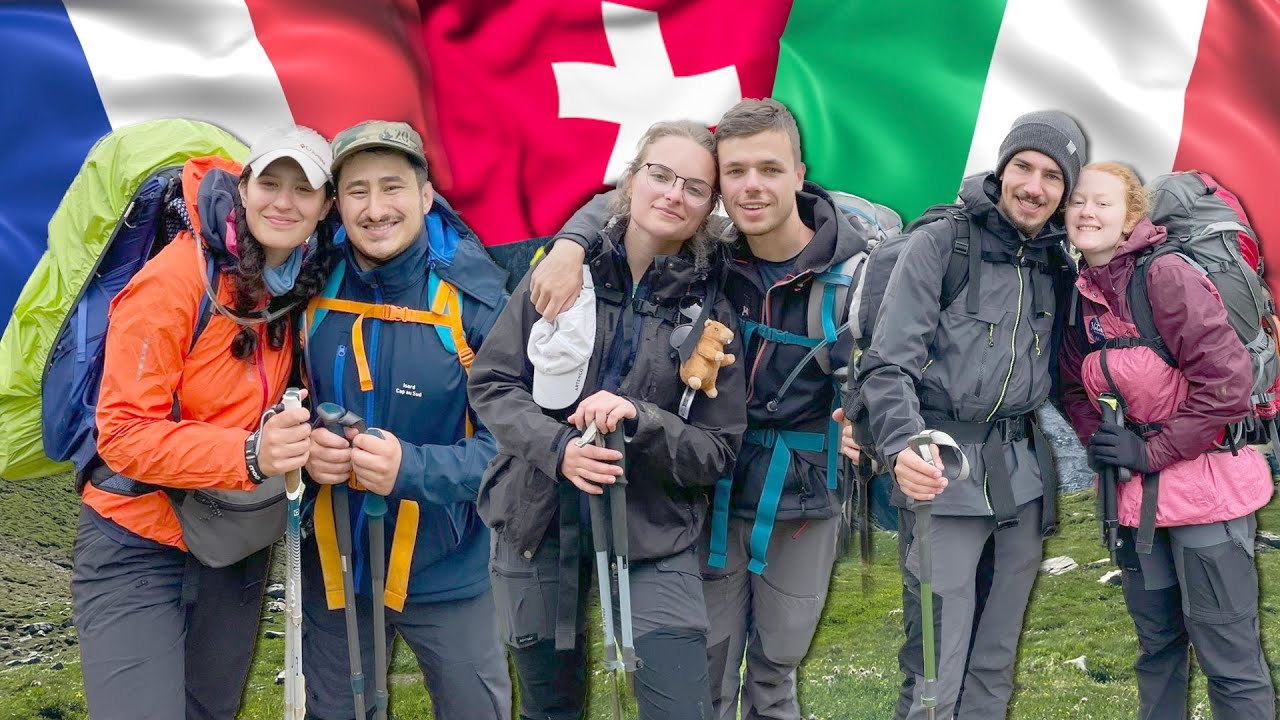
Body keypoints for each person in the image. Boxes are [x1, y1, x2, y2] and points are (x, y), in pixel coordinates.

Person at [532, 99, 867, 720]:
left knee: (776, 670)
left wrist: (867, 427)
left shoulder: (852, 270)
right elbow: (619, 203)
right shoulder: (706, 254)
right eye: (735, 172)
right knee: (705, 672)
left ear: (800, 173)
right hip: (702, 492)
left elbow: (884, 368)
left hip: (800, 495)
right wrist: (570, 243)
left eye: (770, 168)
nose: (752, 186)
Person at [468, 119, 747, 720]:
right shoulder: (560, 272)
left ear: (709, 207)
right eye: (661, 175)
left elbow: (716, 450)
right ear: (631, 178)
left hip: (654, 525)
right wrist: (557, 448)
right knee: (550, 708)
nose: (674, 194)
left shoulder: (714, 310)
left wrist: (642, 419)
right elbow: (492, 383)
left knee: (679, 706)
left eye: (695, 188)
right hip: (536, 516)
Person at [74, 125, 336, 720]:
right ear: (243, 189)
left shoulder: (306, 281)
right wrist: (249, 455)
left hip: (231, 543)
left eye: (305, 189)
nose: (284, 201)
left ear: (326, 208)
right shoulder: (176, 282)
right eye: (270, 182)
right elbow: (121, 433)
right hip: (135, 539)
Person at [855, 110, 1085, 719]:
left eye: (1052, 177)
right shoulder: (943, 244)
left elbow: (1067, 377)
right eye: (1024, 168)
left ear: (1066, 190)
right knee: (936, 659)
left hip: (1025, 479)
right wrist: (902, 444)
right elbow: (888, 364)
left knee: (994, 661)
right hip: (944, 470)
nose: (1034, 186)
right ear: (1003, 169)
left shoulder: (1058, 262)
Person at [300, 121, 512, 719]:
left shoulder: (473, 299)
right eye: (357, 191)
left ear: (424, 196)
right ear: (336, 204)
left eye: (392, 187)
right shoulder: (310, 284)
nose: (375, 209)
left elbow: (514, 445)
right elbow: (273, 398)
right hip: (336, 564)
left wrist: (411, 468)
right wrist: (306, 453)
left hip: (447, 566)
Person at [1059, 162, 1275, 718]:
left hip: (1209, 493)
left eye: (1102, 202)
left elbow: (1225, 384)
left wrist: (1147, 451)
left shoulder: (1165, 275)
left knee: (1229, 657)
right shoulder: (1081, 294)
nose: (1087, 211)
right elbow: (1070, 384)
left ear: (1132, 215)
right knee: (1157, 651)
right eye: (1077, 201)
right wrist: (1104, 442)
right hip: (1137, 504)